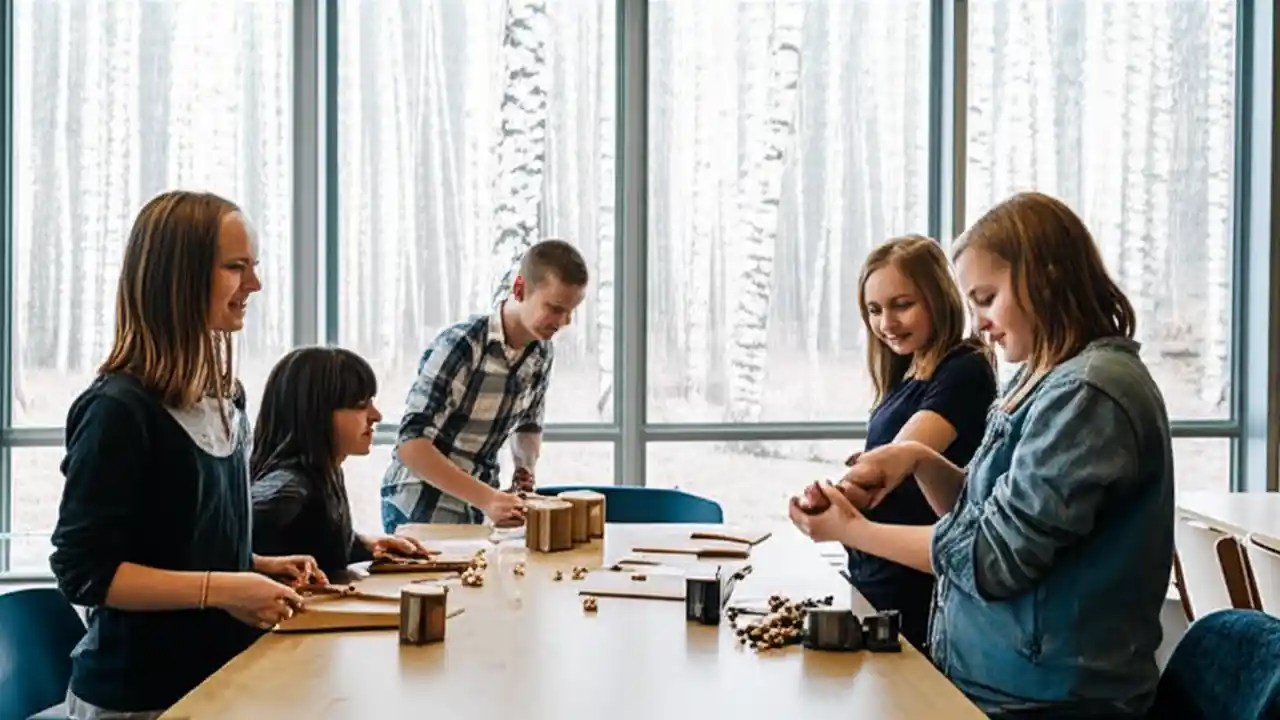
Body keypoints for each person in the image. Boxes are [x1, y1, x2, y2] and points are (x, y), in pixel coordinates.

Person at [791, 191, 1174, 718]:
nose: (981, 323)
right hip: (996, 685)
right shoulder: (1045, 379)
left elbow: (991, 557)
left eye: (988, 299)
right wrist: (916, 459)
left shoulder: (1086, 393)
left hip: (1043, 703)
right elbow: (980, 511)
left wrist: (850, 529)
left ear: (1047, 278)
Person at [50, 191, 326, 719]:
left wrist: (255, 567)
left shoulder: (229, 398)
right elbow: (83, 571)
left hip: (218, 679)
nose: (255, 284)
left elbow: (174, 543)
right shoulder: (117, 410)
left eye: (254, 266)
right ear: (179, 278)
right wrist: (224, 587)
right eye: (236, 268)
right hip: (137, 698)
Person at [837, 235, 995, 650]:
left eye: (902, 305)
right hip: (878, 578)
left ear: (938, 298)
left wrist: (840, 492)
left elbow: (893, 462)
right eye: (875, 310)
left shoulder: (964, 370)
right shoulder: (907, 371)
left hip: (916, 588)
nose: (887, 323)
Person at [380, 239, 589, 531]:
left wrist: (524, 471)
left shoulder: (542, 353)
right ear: (519, 289)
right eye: (555, 308)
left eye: (571, 310)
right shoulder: (461, 345)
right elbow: (411, 445)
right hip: (419, 504)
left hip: (476, 505)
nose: (564, 321)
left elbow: (529, 423)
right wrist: (488, 499)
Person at [250, 346, 432, 581]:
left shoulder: (323, 472)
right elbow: (224, 553)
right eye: (360, 404)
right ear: (317, 413)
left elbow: (312, 544)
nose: (376, 416)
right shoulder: (288, 487)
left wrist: (364, 546)